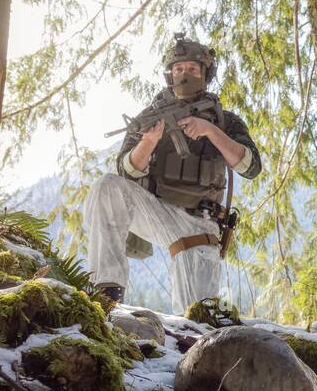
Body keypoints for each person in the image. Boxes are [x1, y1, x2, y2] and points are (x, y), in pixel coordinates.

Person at [85, 34, 262, 312]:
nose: (185, 75)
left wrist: (211, 131)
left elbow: (250, 167)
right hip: (157, 212)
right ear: (170, 74)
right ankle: (106, 293)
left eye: (192, 69)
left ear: (205, 74)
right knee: (107, 186)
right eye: (179, 69)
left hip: (200, 223)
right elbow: (125, 170)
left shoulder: (225, 120)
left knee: (197, 322)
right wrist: (149, 141)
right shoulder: (150, 115)